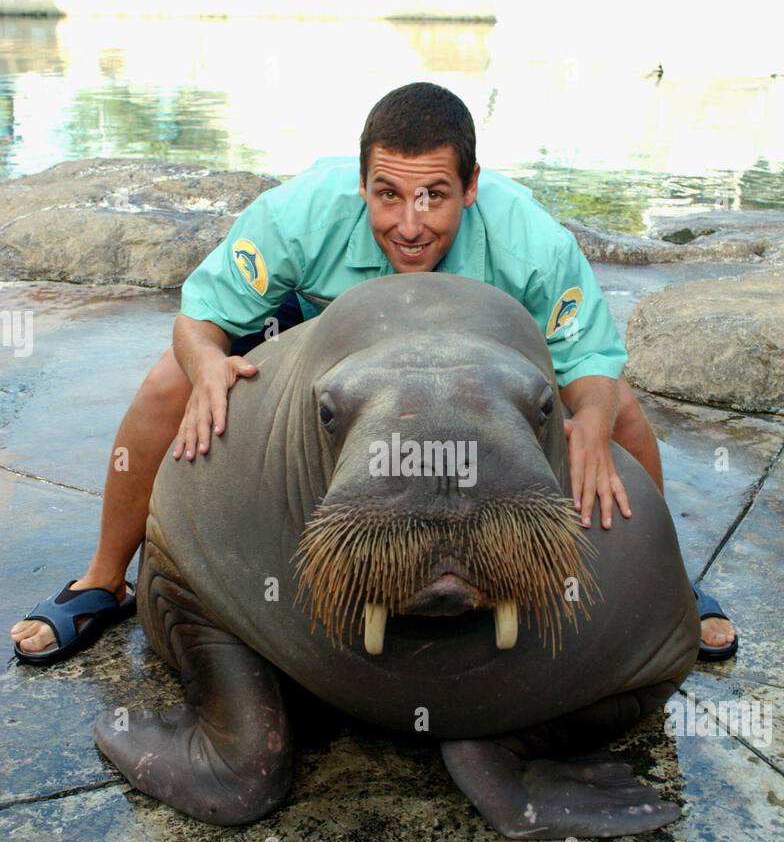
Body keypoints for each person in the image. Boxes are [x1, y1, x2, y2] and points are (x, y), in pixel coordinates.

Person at [11, 82, 737, 665]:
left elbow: (588, 359)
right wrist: (205, 367)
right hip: (324, 338)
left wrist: (595, 421)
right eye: (387, 194)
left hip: (471, 369)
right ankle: (105, 580)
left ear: (471, 186)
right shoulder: (303, 213)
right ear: (360, 183)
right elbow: (200, 316)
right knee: (168, 383)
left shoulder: (530, 243)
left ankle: (668, 582)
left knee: (626, 413)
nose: (410, 224)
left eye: (434, 197)